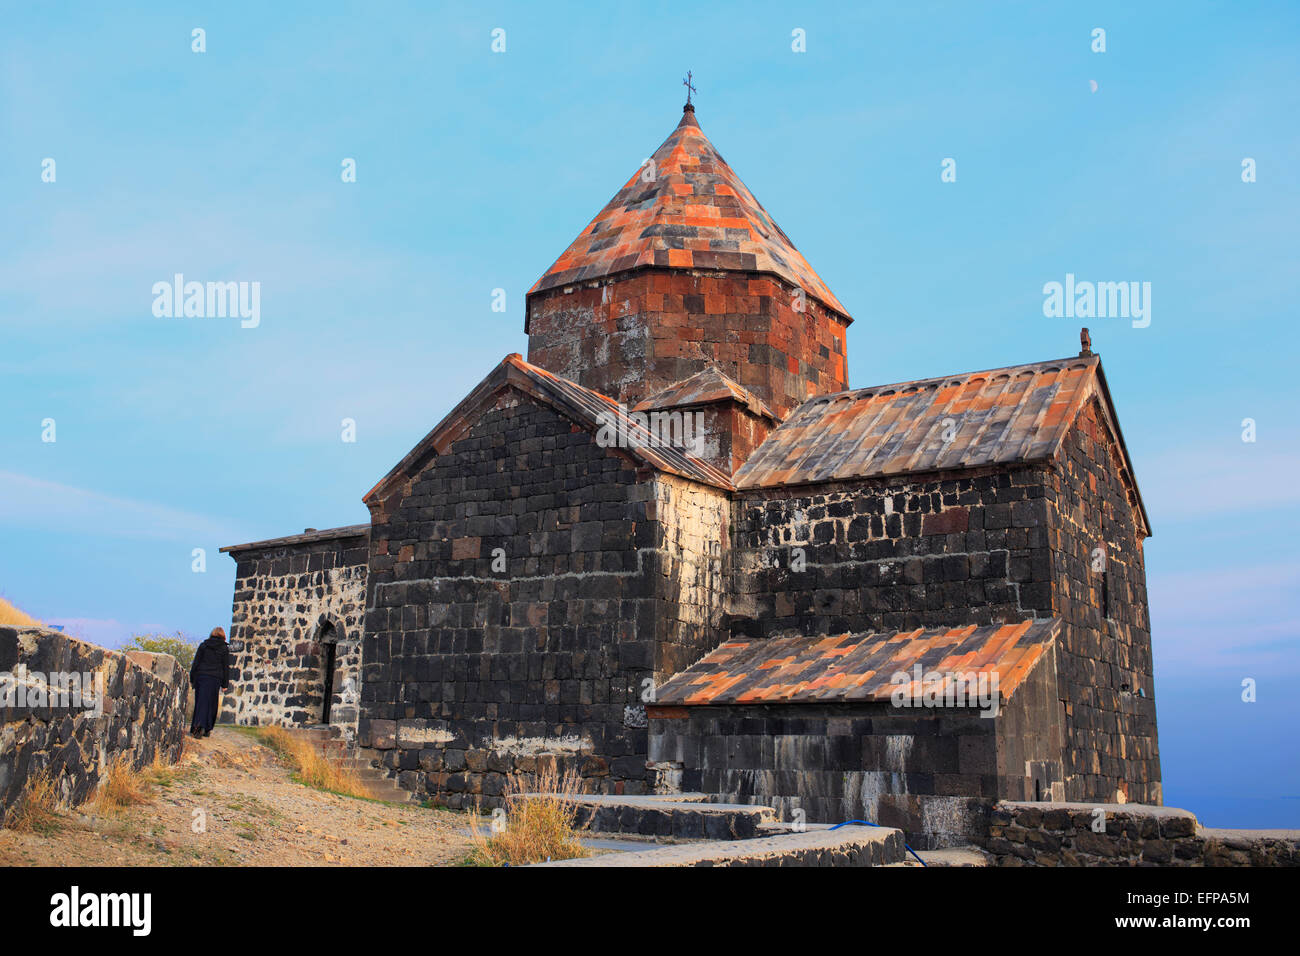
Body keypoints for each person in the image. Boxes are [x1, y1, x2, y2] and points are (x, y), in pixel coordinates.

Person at [189, 626, 231, 737]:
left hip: (202, 676)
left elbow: (196, 662)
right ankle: (206, 728)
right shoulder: (224, 649)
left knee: (200, 702)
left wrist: (192, 678)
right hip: (214, 678)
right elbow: (225, 667)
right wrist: (225, 684)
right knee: (211, 704)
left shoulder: (204, 646)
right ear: (223, 636)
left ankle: (197, 726)